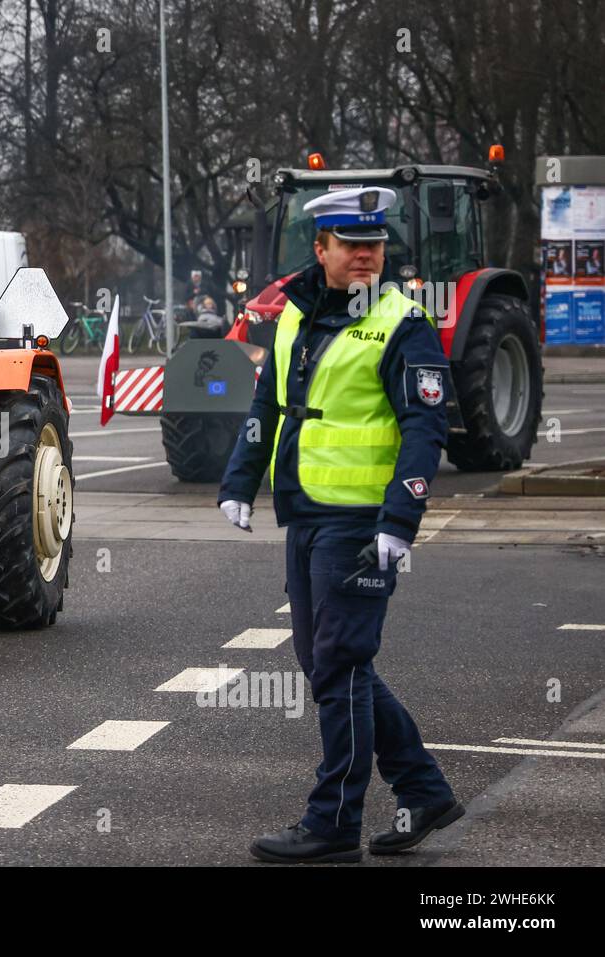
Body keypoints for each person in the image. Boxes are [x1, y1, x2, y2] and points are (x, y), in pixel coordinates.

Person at [218, 186, 463, 864]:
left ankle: (332, 823)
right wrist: (239, 481)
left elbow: (425, 424)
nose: (365, 256)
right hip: (306, 512)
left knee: (339, 664)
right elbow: (267, 403)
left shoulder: (401, 322)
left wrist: (399, 518)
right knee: (323, 661)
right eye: (351, 245)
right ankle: (423, 788)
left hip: (361, 521)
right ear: (320, 249)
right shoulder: (295, 313)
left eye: (374, 245)